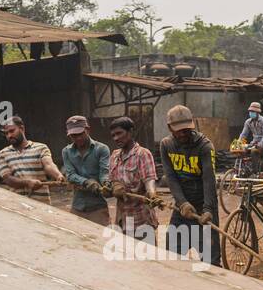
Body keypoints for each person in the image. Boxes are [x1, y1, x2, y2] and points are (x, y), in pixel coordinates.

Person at [159, 105, 218, 266]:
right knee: (172, 257)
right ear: (170, 128)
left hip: (203, 205)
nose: (183, 133)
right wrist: (182, 202)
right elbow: (171, 178)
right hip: (181, 208)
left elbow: (209, 180)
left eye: (186, 129)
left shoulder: (204, 146)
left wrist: (208, 209)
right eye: (179, 130)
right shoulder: (166, 145)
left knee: (209, 262)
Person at [104, 116, 159, 244]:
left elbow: (149, 180)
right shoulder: (114, 156)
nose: (116, 138)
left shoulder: (142, 154)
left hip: (141, 219)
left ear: (130, 132)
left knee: (148, 260)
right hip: (122, 220)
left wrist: (152, 194)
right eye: (113, 135)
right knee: (125, 260)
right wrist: (112, 187)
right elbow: (111, 180)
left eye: (119, 133)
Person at [0, 115, 64, 202]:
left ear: (22, 128)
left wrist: (58, 175)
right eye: (6, 133)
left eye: (12, 131)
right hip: (17, 204)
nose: (9, 135)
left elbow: (48, 165)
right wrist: (27, 182)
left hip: (42, 204)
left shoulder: (41, 148)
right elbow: (8, 179)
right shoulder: (3, 154)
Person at [60, 115, 112, 226]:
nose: (78, 138)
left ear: (87, 130)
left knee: (101, 239)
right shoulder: (66, 152)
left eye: (80, 134)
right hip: (77, 206)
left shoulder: (102, 149)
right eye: (74, 136)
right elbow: (70, 175)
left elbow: (104, 173)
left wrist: (106, 184)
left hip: (98, 206)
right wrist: (86, 182)